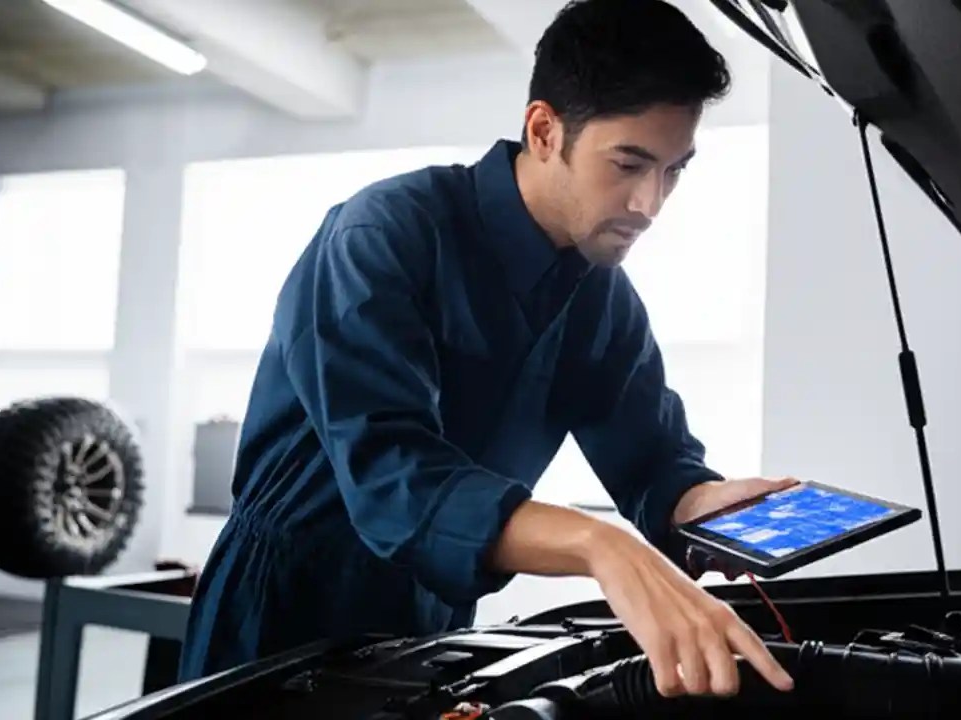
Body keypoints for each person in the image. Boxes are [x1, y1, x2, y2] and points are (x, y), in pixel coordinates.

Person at [178, 0, 796, 698]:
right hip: (281, 614)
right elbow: (394, 480)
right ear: (544, 131)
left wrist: (703, 504)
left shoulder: (602, 298)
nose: (649, 204)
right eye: (629, 164)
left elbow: (652, 461)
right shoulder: (380, 236)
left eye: (674, 171)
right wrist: (600, 546)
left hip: (430, 625)